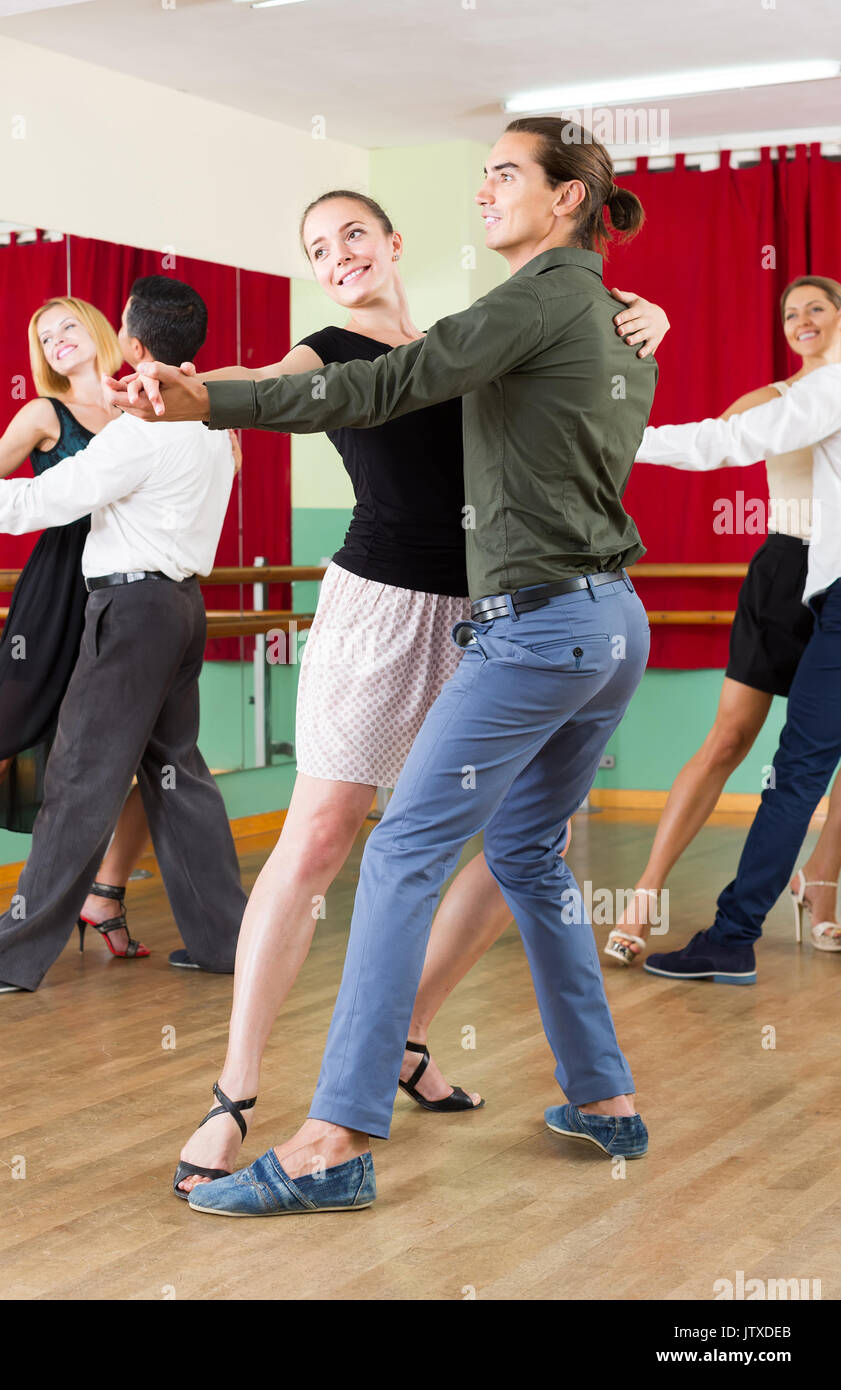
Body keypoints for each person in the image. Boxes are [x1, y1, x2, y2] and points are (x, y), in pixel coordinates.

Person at [117, 115, 658, 1216]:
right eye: (317, 247)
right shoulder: (398, 336)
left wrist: (641, 307)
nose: (339, 256)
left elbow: (484, 379)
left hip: (508, 622)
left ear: (394, 239)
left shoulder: (500, 320)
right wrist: (205, 390)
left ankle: (342, 1134)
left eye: (354, 232)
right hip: (565, 622)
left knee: (411, 848)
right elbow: (321, 387)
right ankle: (594, 1100)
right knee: (500, 852)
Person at [0, 276, 246, 998]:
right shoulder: (212, 424)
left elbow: (33, 502)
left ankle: (3, 958)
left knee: (77, 781)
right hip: (183, 608)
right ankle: (226, 941)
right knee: (177, 776)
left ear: (128, 342)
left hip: (131, 614)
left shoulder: (138, 431)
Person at [606, 275, 841, 965]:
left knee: (816, 759)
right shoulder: (782, 399)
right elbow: (725, 439)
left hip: (830, 578)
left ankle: (817, 892)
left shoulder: (829, 389)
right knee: (732, 739)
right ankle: (646, 895)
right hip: (786, 573)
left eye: (816, 309)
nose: (800, 320)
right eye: (789, 312)